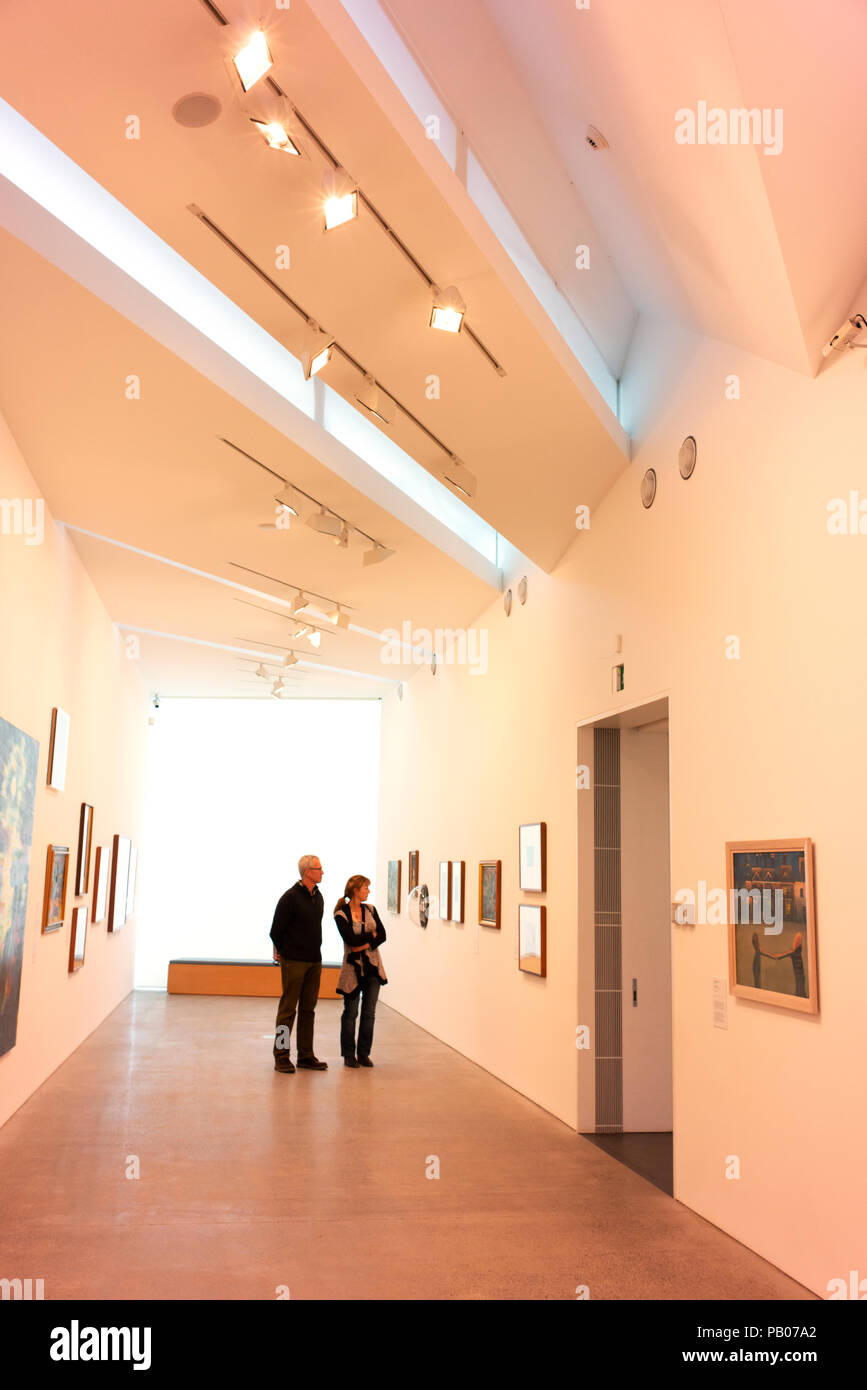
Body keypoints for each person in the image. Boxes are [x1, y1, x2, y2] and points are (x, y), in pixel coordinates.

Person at [269, 854, 328, 1073]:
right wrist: (285, 953)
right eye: (319, 869)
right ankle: (281, 1056)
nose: (323, 872)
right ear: (307, 872)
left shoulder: (318, 897)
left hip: (314, 961)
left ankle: (306, 1055)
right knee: (287, 1010)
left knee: (308, 1010)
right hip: (294, 962)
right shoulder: (290, 898)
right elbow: (276, 931)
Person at [334, 875, 387, 1068]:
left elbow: (382, 935)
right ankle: (349, 1055)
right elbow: (350, 941)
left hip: (373, 967)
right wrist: (369, 938)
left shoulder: (371, 910)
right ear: (356, 890)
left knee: (369, 1012)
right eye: (366, 888)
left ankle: (364, 1053)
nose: (368, 891)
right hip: (352, 970)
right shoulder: (341, 914)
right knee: (350, 1012)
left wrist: (363, 943)